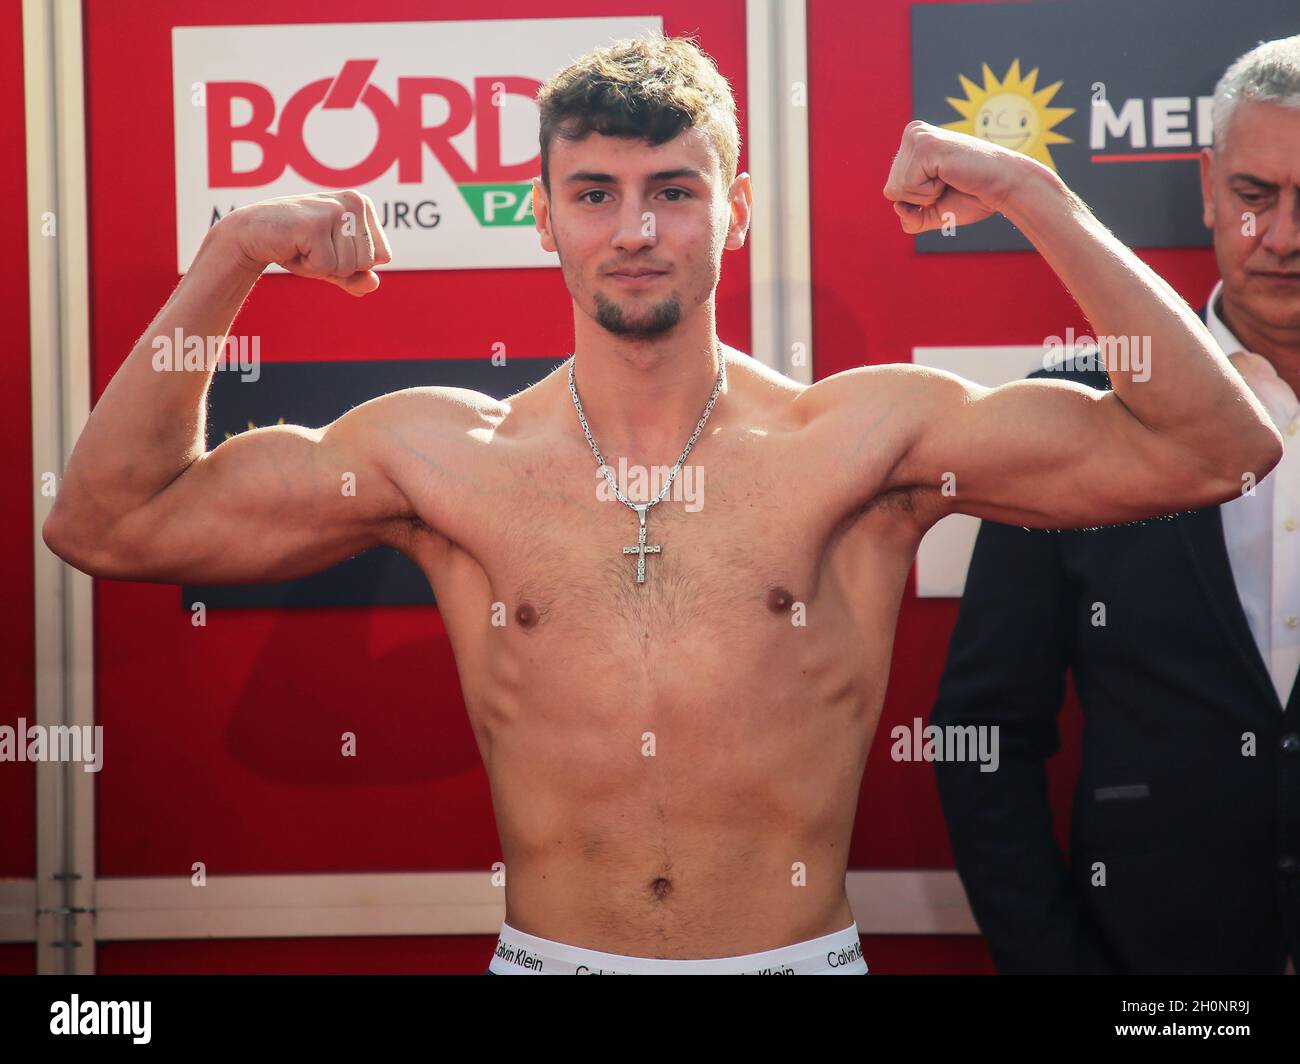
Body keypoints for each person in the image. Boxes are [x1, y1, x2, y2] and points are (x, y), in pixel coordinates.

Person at [42, 34, 1281, 975]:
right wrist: (231, 257)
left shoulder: (862, 440)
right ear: (541, 217)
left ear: (733, 211)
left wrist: (1030, 193)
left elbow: (1214, 447)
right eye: (593, 193)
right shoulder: (445, 454)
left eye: (674, 191)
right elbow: (109, 523)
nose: (634, 229)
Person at [931, 35, 1300, 975]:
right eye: (1256, 196)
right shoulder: (1083, 409)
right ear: (1209, 186)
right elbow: (985, 729)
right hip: (1159, 972)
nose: (1285, 237)